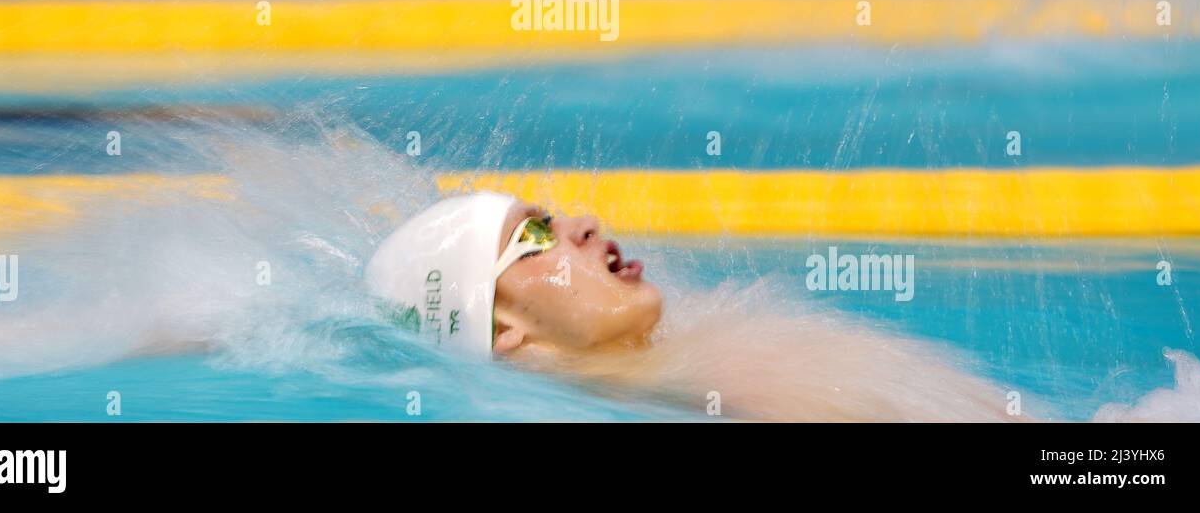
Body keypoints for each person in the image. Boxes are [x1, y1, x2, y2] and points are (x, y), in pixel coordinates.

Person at [367, 191, 1018, 421]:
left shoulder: (698, 362)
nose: (586, 223)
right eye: (537, 235)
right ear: (502, 328)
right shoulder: (725, 380)